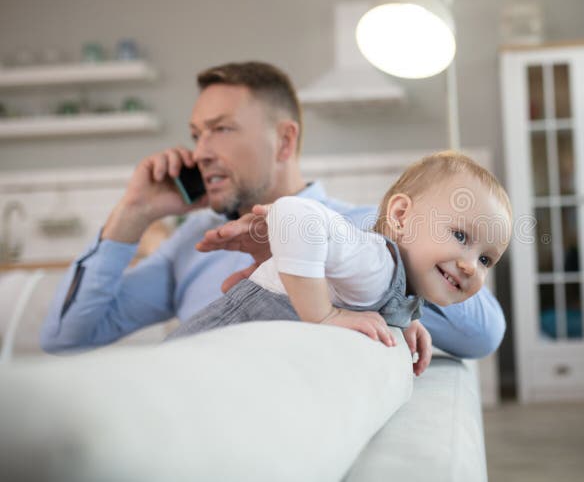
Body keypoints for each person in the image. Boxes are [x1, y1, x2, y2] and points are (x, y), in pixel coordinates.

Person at [40, 62, 507, 359]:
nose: (199, 151)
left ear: (285, 140)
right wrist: (132, 215)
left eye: (220, 130)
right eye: (196, 133)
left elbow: (484, 334)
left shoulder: (365, 226)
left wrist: (324, 261)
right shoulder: (193, 242)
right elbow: (67, 338)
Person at [167, 152, 512, 376]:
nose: (470, 266)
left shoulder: (399, 287)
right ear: (400, 215)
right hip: (204, 348)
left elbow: (366, 299)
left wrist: (403, 323)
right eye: (460, 236)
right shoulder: (374, 260)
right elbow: (292, 214)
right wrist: (324, 316)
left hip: (233, 361)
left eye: (485, 259)